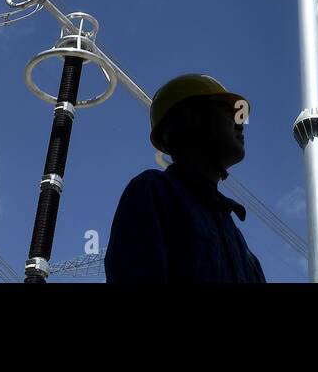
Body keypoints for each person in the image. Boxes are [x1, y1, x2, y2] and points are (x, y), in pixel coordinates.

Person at [104, 73, 266, 283]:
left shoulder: (237, 240)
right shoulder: (153, 192)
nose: (240, 123)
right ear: (192, 118)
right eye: (229, 111)